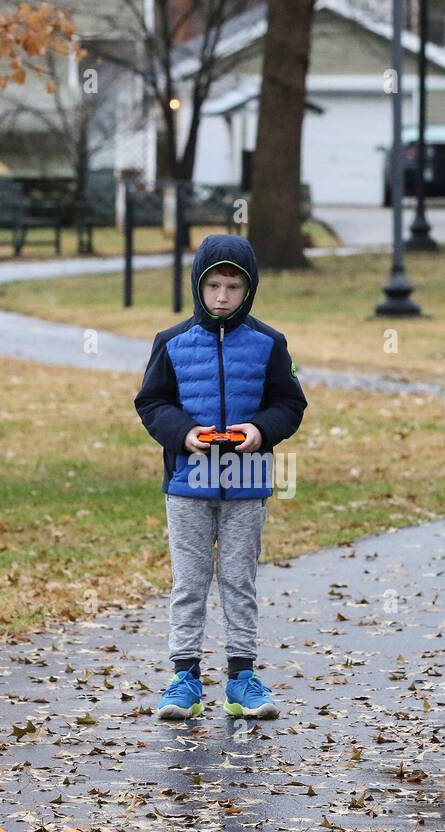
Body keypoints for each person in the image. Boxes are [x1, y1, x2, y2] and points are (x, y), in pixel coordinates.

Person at [134, 234, 307, 722]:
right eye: (213, 286)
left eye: (233, 286)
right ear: (198, 286)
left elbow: (290, 404)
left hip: (246, 483)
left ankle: (241, 677)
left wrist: (260, 429)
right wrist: (184, 434)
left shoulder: (270, 344)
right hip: (188, 485)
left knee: (238, 580)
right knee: (189, 582)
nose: (222, 297)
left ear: (249, 290)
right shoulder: (170, 343)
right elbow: (151, 403)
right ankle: (184, 676)